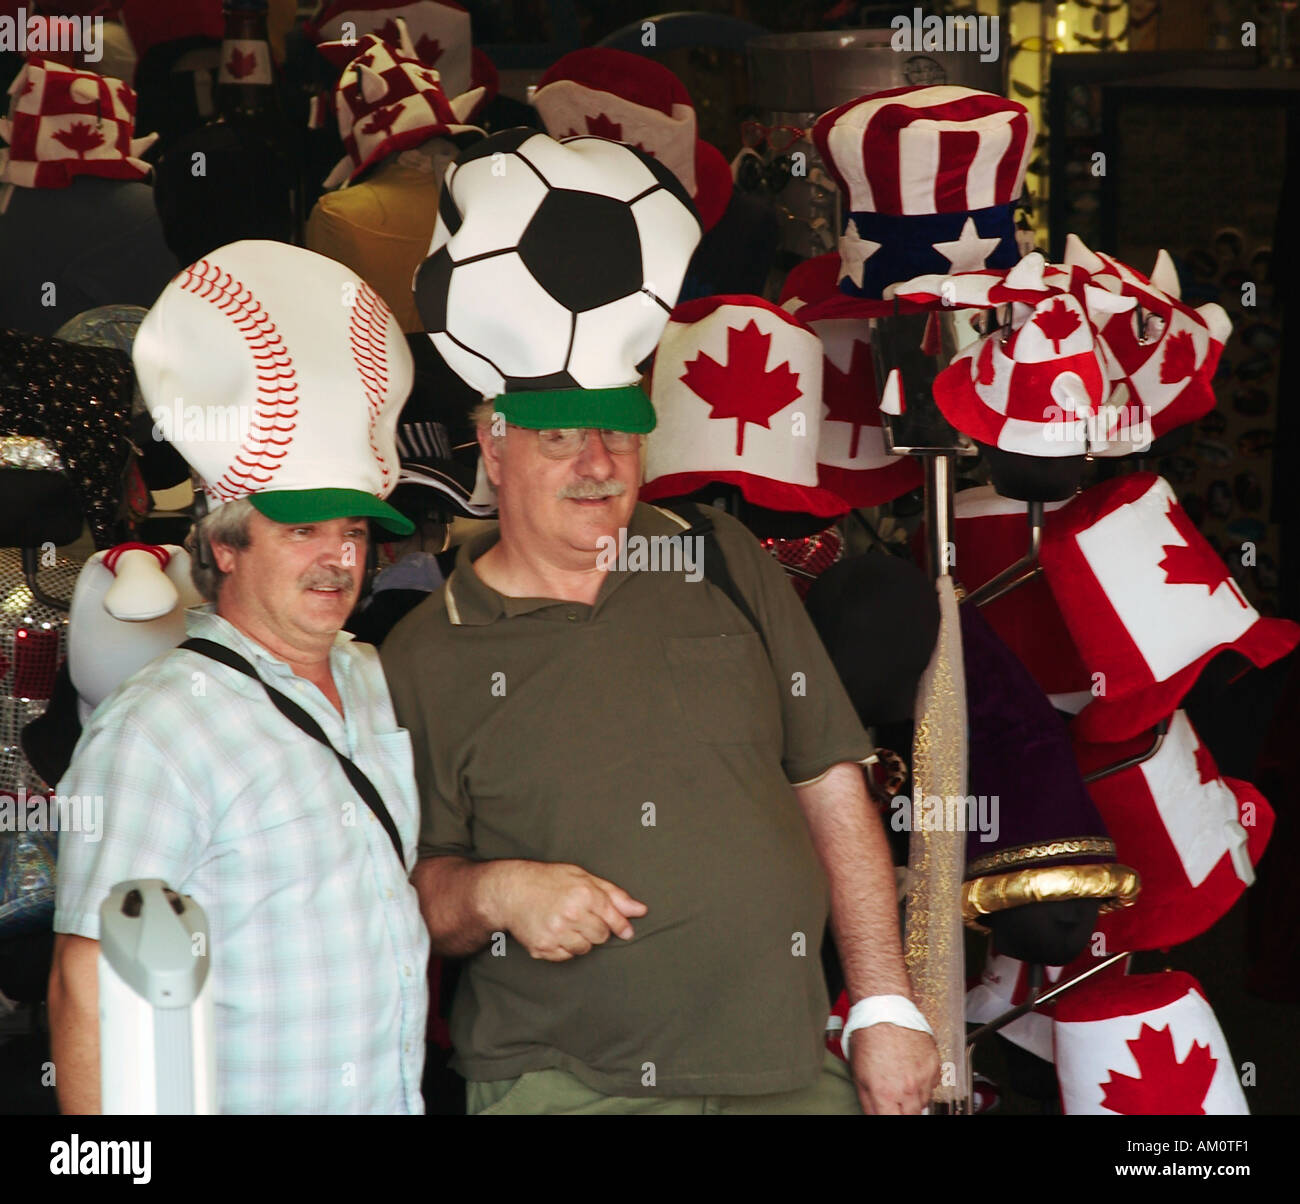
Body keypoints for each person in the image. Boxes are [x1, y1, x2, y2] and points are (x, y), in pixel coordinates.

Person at [381, 395, 942, 1115]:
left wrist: (884, 1006)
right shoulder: (424, 653)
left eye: (619, 432)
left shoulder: (716, 552)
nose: (598, 464)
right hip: (567, 1085)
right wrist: (499, 891)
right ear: (494, 451)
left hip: (789, 1065)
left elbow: (828, 773)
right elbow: (409, 893)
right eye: (559, 437)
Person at [47, 240, 429, 1114]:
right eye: (303, 529)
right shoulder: (157, 729)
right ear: (224, 543)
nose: (340, 558)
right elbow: (88, 985)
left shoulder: (368, 676)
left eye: (358, 532)